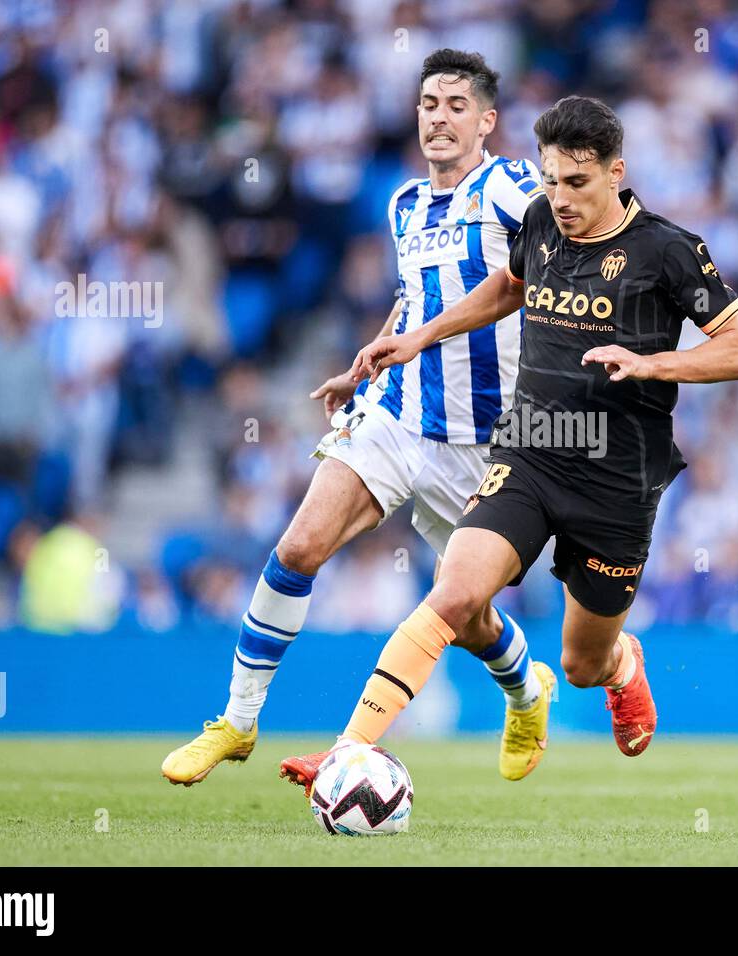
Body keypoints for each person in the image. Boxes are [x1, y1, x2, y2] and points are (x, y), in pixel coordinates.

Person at [280, 95, 738, 792]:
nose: (560, 199)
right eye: (550, 180)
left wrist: (652, 362)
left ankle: (624, 663)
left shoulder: (669, 250)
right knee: (453, 595)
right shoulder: (539, 221)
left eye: (578, 183)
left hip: (616, 480)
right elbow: (508, 286)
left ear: (616, 172)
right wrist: (419, 335)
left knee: (580, 665)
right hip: (529, 451)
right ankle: (347, 751)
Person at [162, 50, 556, 788]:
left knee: (467, 615)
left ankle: (526, 693)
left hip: (490, 443)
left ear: (487, 122)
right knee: (301, 544)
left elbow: (520, 282)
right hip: (400, 411)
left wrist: (418, 335)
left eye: (455, 105)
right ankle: (237, 723)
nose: (439, 116)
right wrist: (369, 358)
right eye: (428, 103)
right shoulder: (404, 204)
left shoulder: (513, 187)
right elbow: (416, 299)